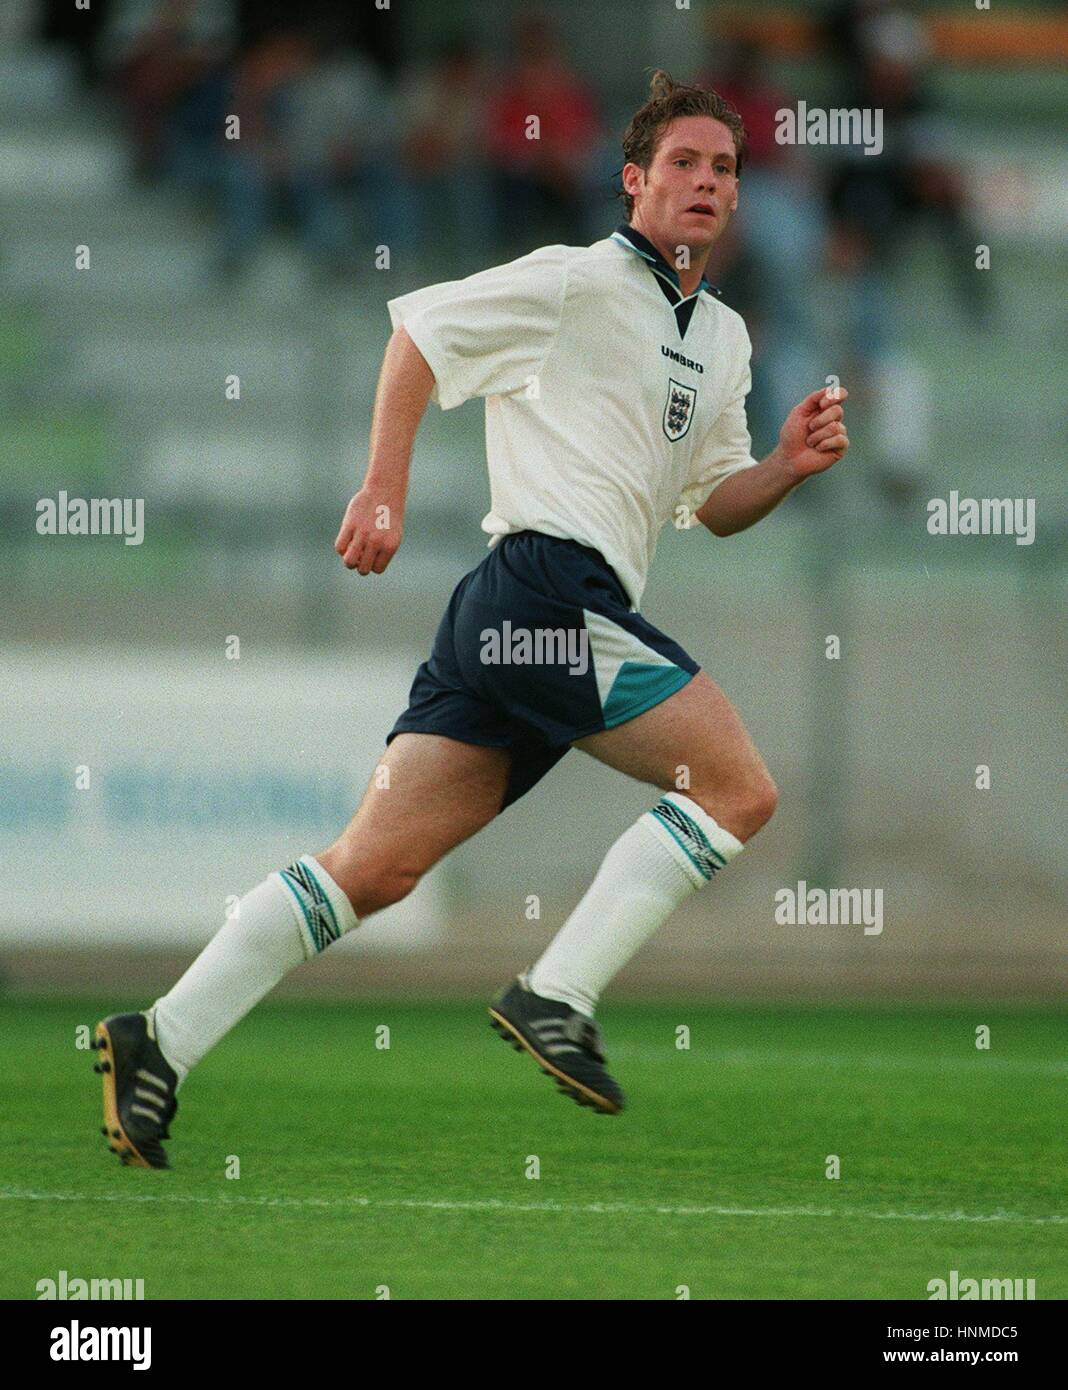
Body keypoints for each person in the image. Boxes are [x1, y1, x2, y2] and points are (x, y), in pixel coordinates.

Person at [91, 72, 849, 1168]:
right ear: (634, 182)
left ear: (737, 197)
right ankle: (559, 992)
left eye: (723, 168)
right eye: (681, 162)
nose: (705, 181)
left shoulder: (724, 338)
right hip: (542, 591)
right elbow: (420, 340)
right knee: (740, 788)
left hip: (521, 619)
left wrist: (782, 465)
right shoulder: (577, 281)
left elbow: (712, 507)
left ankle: (157, 1036)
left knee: (374, 868)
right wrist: (382, 487)